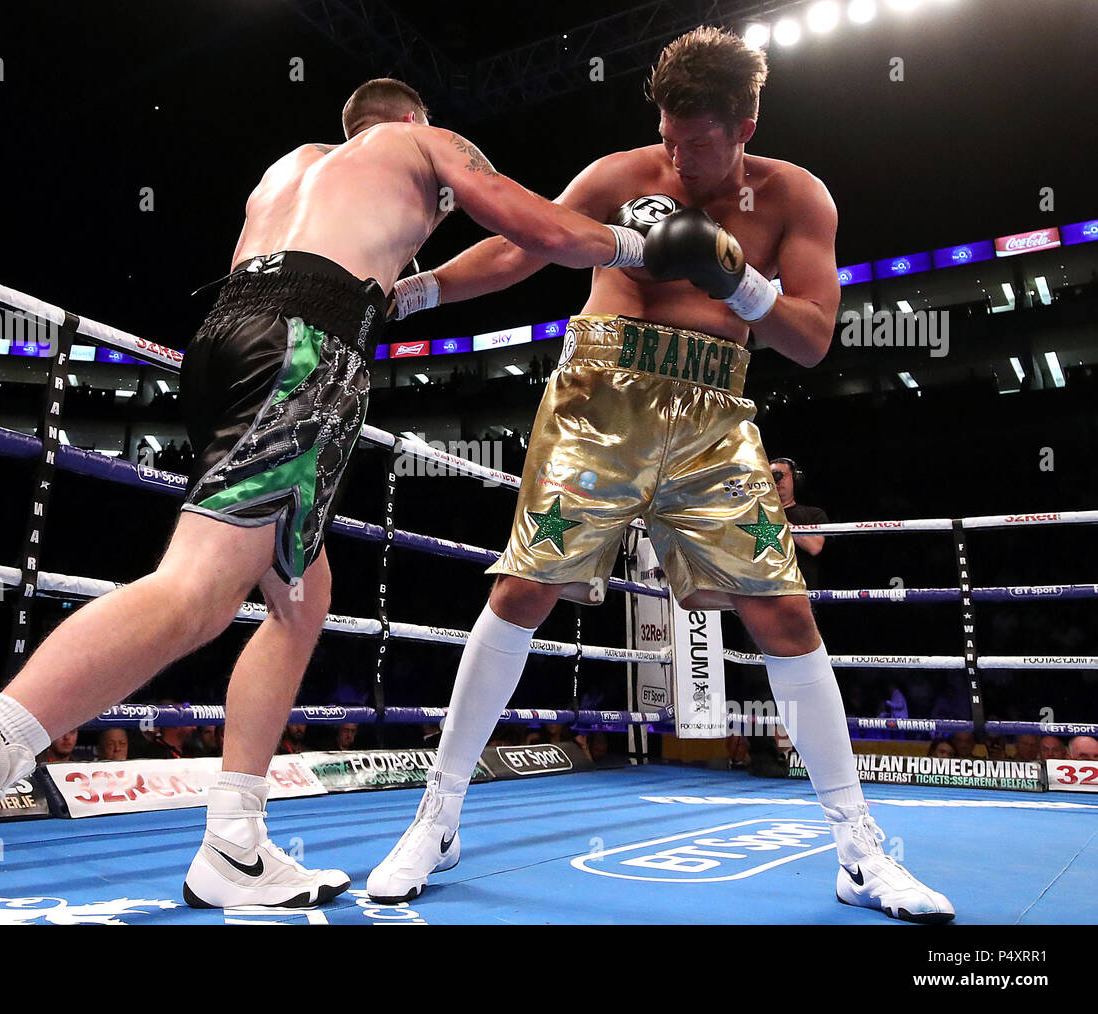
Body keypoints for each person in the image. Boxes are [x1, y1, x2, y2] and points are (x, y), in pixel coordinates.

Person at [0, 76, 648, 924]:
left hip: (231, 338)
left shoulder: (291, 169)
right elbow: (540, 231)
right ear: (413, 119)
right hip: (306, 349)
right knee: (199, 589)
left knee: (302, 594)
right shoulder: (423, 143)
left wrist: (403, 293)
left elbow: (363, 276)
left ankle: (233, 842)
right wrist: (639, 245)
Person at [370, 29, 954, 923]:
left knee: (784, 612)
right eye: (667, 136)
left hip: (714, 414)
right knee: (522, 588)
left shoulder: (796, 196)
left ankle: (860, 852)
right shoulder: (619, 174)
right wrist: (411, 295)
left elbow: (811, 336)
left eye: (698, 143)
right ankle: (436, 820)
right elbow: (523, 248)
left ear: (746, 124)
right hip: (600, 393)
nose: (676, 159)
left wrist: (737, 280)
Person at [770, 457, 827, 589]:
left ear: (795, 479)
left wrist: (781, 522)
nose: (776, 480)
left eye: (780, 475)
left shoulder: (813, 514)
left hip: (801, 591)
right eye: (771, 476)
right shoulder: (753, 516)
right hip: (763, 592)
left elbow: (814, 547)